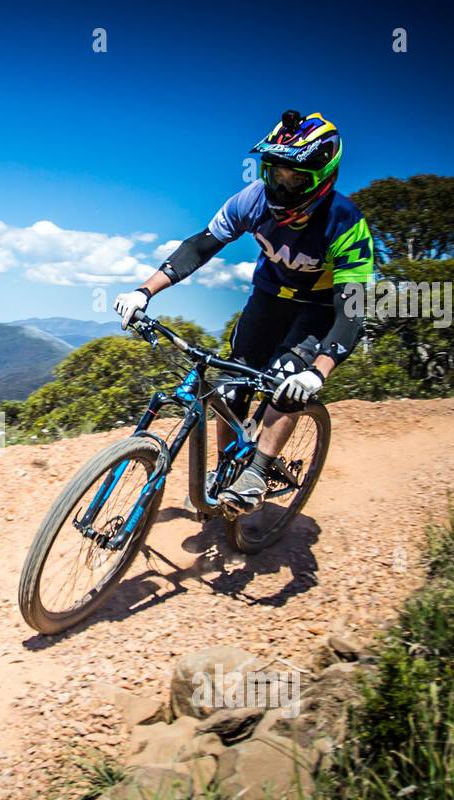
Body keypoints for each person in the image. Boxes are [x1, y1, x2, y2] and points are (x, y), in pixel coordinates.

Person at [113, 110, 374, 513]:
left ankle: (258, 472)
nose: (282, 186)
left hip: (318, 309)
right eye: (276, 173)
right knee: (231, 387)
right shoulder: (252, 199)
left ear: (324, 179)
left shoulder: (346, 225)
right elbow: (200, 246)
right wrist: (143, 291)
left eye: (296, 178)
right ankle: (223, 471)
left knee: (286, 383)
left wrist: (318, 370)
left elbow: (352, 311)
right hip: (268, 299)